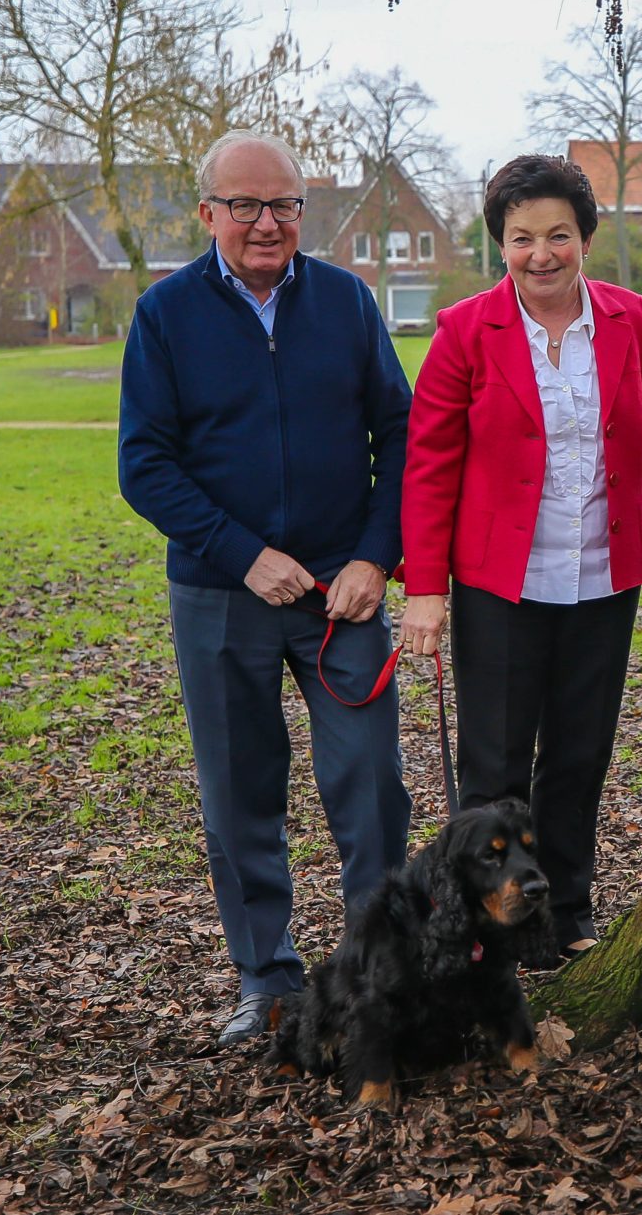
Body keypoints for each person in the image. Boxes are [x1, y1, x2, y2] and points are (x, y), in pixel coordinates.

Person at [398, 154, 642, 959]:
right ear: (501, 242)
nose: (541, 253)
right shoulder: (465, 331)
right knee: (495, 766)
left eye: (558, 235)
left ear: (587, 239)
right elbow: (427, 467)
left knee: (579, 754)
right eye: (522, 237)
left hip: (603, 577)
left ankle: (566, 910)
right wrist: (424, 588)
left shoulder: (629, 319)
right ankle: (498, 924)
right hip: (503, 585)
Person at [118, 130, 415, 1048]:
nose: (266, 222)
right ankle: (269, 980)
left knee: (369, 782)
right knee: (239, 791)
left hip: (342, 595)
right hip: (221, 593)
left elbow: (402, 436)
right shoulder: (165, 314)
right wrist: (242, 553)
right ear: (206, 211)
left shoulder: (347, 302)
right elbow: (145, 464)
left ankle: (377, 974)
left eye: (284, 204)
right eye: (244, 205)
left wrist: (376, 556)